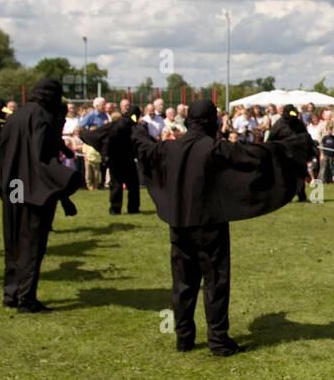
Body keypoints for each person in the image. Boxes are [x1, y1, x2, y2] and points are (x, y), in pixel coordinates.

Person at [132, 100, 312, 355]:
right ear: (210, 121)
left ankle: (184, 338)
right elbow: (257, 155)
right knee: (215, 280)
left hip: (179, 226)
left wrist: (136, 127)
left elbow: (144, 146)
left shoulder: (169, 149)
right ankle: (217, 339)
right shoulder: (215, 148)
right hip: (209, 227)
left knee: (183, 282)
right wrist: (296, 148)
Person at [0, 78, 83, 312]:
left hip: (13, 186)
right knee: (31, 243)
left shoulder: (16, 115)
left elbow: (0, 151)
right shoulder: (42, 117)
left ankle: (11, 293)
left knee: (13, 240)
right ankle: (26, 299)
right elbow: (41, 157)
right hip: (32, 189)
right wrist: (66, 180)